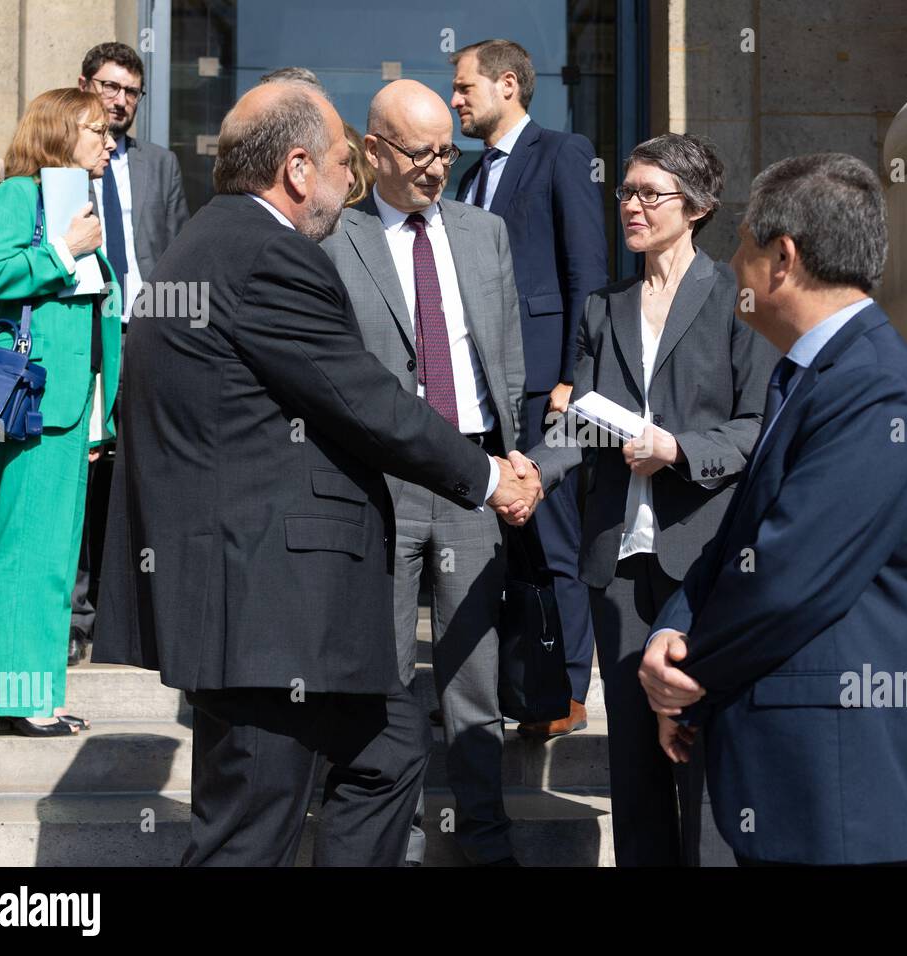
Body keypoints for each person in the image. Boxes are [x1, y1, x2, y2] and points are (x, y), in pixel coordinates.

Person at [93, 80, 541, 866]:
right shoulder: (268, 256)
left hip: (259, 601)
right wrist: (488, 476)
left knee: (392, 749)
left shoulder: (201, 245)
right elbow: (363, 397)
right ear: (298, 168)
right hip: (268, 607)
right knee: (247, 834)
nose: (353, 182)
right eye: (344, 161)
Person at [639, 153, 907, 867]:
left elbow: (788, 575)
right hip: (804, 788)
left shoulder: (875, 389)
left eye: (744, 244)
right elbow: (740, 545)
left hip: (844, 796)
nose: (732, 269)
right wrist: (673, 626)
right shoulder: (817, 376)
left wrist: (688, 671)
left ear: (783, 258)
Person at [520, 133, 775, 865]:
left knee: (696, 745)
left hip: (702, 557)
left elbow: (761, 425)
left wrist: (680, 449)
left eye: (647, 194)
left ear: (695, 207)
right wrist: (536, 470)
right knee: (632, 761)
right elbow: (584, 421)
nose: (630, 206)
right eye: (625, 192)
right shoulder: (605, 306)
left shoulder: (737, 297)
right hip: (618, 562)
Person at [321, 80, 527, 866]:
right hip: (379, 486)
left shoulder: (484, 233)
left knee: (475, 682)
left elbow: (504, 362)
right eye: (421, 152)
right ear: (373, 151)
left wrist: (512, 457)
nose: (440, 166)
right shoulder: (337, 236)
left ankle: (485, 840)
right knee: (381, 674)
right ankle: (391, 841)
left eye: (450, 149)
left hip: (473, 480)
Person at [452, 39, 609, 735]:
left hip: (548, 383)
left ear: (507, 84)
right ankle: (516, 685)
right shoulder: (465, 178)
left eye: (464, 88)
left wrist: (575, 376)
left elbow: (588, 272)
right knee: (501, 544)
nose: (455, 100)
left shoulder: (561, 152)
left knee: (553, 536)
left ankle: (569, 690)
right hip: (481, 387)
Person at [0, 88, 121, 735]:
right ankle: (12, 701)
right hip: (31, 400)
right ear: (60, 133)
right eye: (96, 131)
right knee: (27, 551)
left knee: (55, 557)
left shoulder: (72, 201)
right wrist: (65, 249)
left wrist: (98, 415)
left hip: (69, 404)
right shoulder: (17, 196)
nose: (109, 143)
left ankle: (37, 695)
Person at [68, 42, 189, 665]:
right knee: (83, 474)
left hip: (144, 335)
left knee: (144, 470)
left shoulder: (160, 164)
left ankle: (139, 611)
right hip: (85, 334)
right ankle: (78, 615)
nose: (121, 101)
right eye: (111, 88)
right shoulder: (62, 165)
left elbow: (173, 251)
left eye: (132, 92)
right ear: (86, 85)